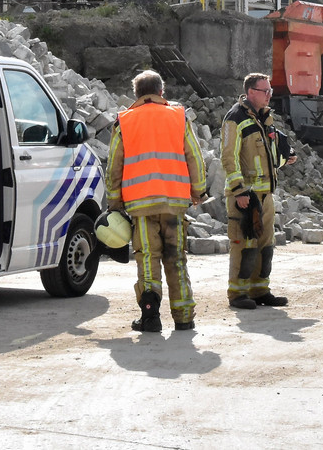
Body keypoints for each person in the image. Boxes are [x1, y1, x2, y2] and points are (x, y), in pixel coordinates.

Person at [105, 69, 206, 333]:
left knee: (148, 258)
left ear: (136, 94)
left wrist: (114, 202)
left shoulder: (125, 121)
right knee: (176, 258)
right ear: (161, 92)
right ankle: (184, 317)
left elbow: (114, 165)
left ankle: (150, 317)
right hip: (174, 203)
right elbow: (194, 156)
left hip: (141, 205)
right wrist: (199, 191)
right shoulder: (178, 117)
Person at [222, 72, 297, 310]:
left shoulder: (265, 118)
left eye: (270, 91)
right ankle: (238, 294)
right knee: (243, 244)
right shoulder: (235, 118)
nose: (269, 95)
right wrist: (239, 191)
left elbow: (268, 157)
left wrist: (285, 159)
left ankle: (260, 290)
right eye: (265, 91)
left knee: (265, 244)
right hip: (246, 196)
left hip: (265, 195)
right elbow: (229, 157)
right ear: (251, 92)